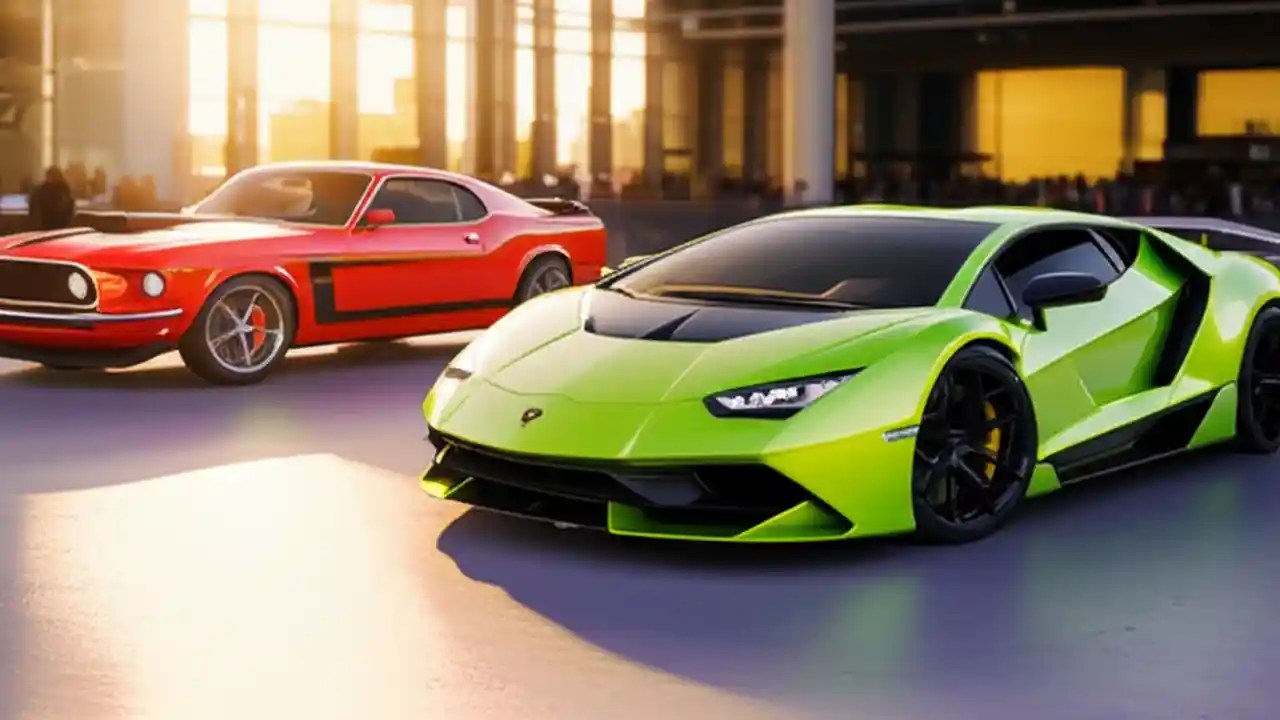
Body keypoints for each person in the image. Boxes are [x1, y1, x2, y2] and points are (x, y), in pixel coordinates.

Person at [27, 166, 76, 230]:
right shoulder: (64, 191)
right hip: (59, 228)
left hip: (46, 228)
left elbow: (34, 212)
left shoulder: (40, 191)